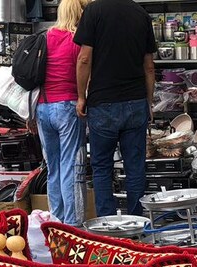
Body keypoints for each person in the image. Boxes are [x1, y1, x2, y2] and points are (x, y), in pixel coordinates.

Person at [74, 0, 156, 217]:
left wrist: (81, 96)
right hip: (136, 101)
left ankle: (107, 226)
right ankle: (137, 221)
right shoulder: (140, 14)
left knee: (102, 168)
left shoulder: (94, 11)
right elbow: (148, 66)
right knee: (135, 167)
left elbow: (84, 59)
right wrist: (148, 102)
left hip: (103, 103)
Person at [37, 0, 89, 226]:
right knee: (71, 166)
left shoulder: (45, 37)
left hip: (42, 107)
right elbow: (86, 70)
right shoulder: (78, 40)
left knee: (53, 168)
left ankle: (55, 222)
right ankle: (74, 226)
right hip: (68, 106)